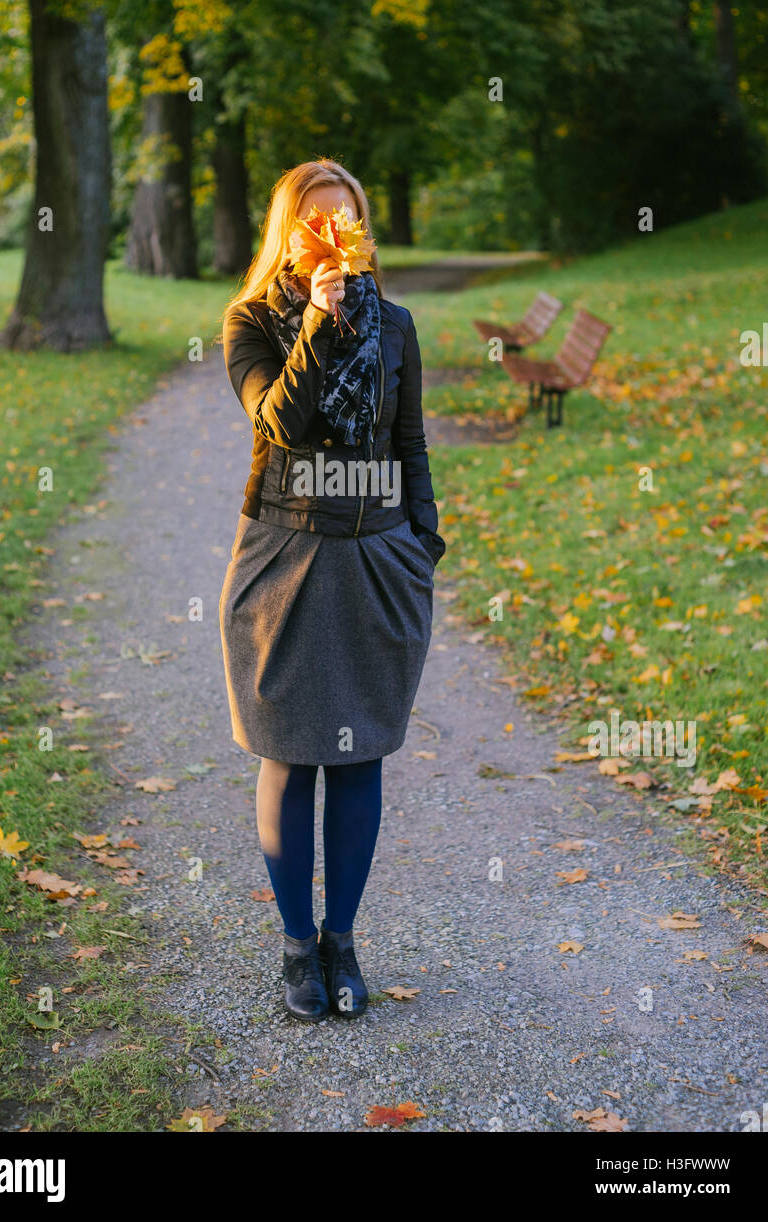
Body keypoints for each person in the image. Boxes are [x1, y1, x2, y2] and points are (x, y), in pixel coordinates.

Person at [218, 158, 445, 1021]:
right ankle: (294, 952)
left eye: (344, 222)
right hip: (286, 557)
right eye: (315, 223)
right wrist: (318, 315)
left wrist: (424, 544)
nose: (332, 239)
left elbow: (411, 442)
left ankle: (342, 943)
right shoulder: (252, 322)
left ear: (361, 229)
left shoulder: (396, 325)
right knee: (290, 753)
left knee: (358, 760)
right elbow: (277, 419)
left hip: (379, 558)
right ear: (290, 232)